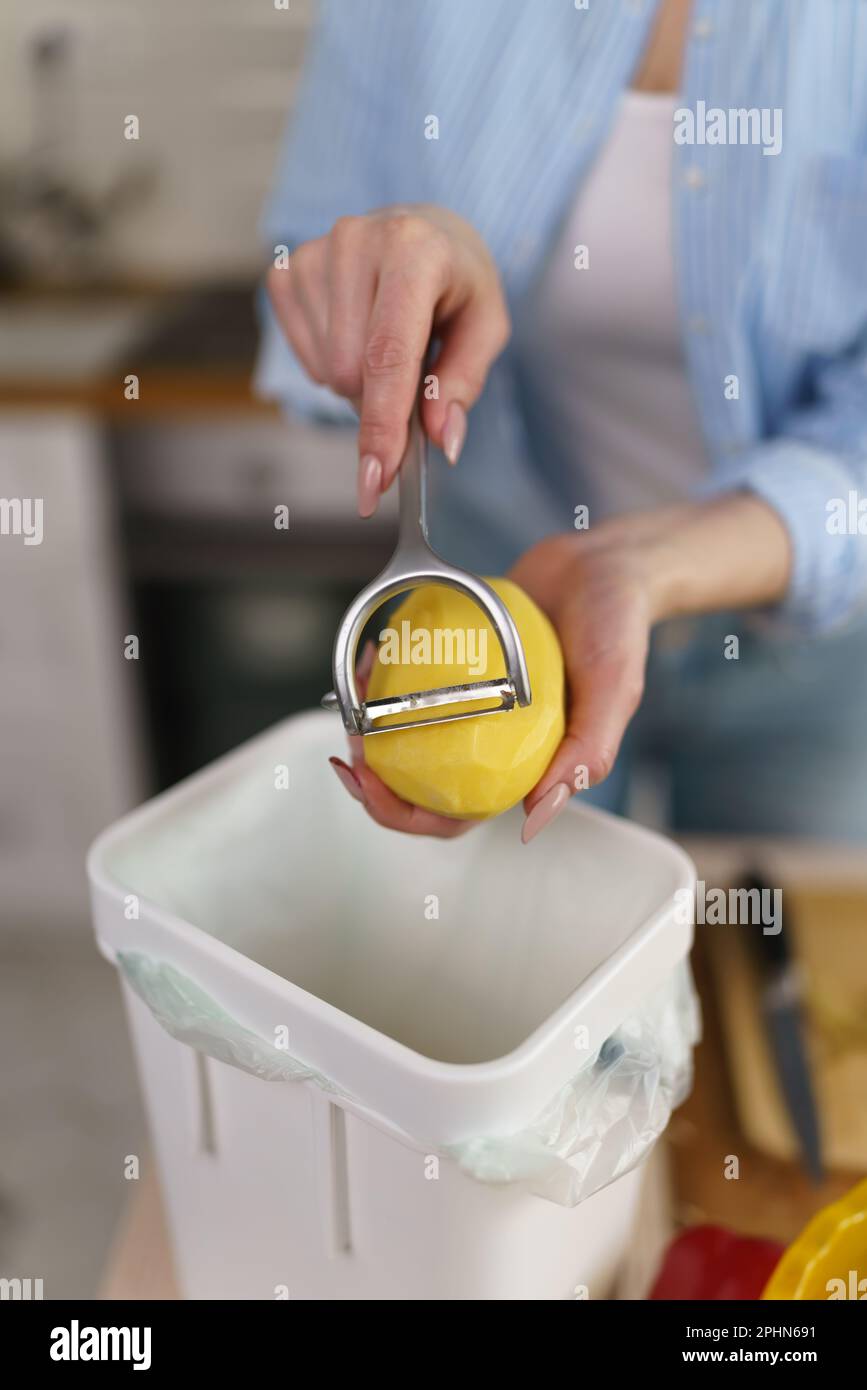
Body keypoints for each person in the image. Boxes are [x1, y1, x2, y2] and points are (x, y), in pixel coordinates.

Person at [257, 0, 867, 844]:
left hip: (819, 645)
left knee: (776, 951)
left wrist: (648, 564)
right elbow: (300, 256)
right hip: (516, 587)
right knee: (514, 960)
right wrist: (381, 286)